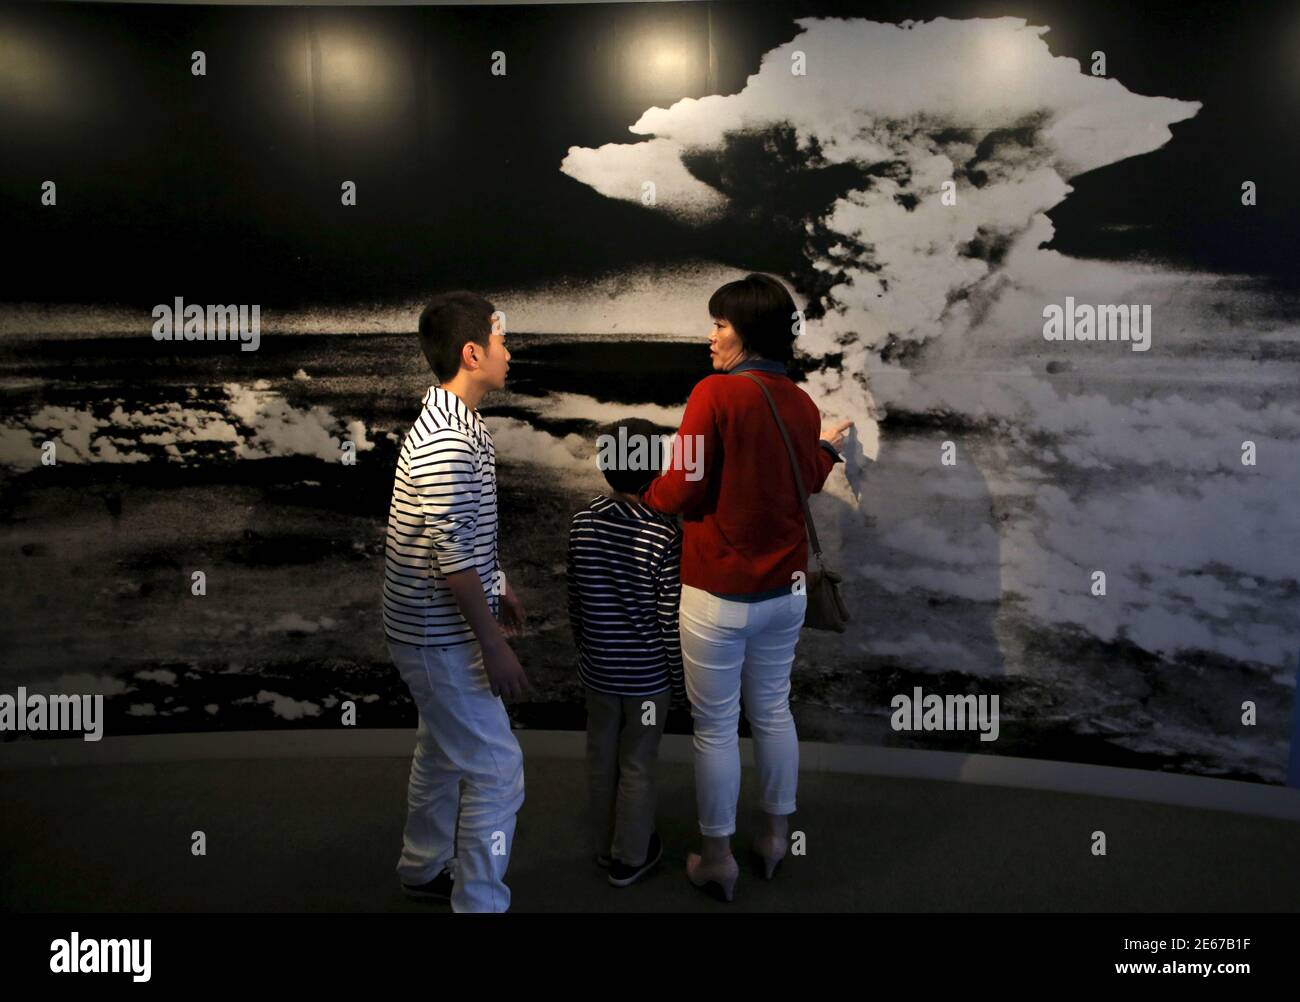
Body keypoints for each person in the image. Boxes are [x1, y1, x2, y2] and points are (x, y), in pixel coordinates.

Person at [639, 273, 852, 902]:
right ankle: (776, 839)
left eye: (720, 325)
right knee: (774, 712)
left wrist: (649, 491)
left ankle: (717, 858)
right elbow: (807, 478)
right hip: (785, 593)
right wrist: (829, 451)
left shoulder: (715, 394)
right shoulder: (799, 401)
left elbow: (684, 488)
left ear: (747, 331)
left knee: (715, 728)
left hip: (717, 593)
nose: (710, 337)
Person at [382, 291, 530, 913]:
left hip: (426, 630)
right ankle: (478, 904)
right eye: (501, 340)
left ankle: (420, 868)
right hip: (436, 637)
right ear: (472, 353)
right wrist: (493, 646)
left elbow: (460, 535)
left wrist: (501, 585)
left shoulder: (453, 423)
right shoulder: (448, 438)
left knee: (441, 752)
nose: (509, 350)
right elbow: (452, 563)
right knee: (498, 769)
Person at [567, 417, 685, 888]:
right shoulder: (664, 535)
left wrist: (587, 652)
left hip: (598, 673)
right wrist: (678, 682)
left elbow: (575, 601)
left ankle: (603, 846)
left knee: (600, 756)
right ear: (655, 469)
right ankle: (630, 856)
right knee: (637, 762)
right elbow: (668, 619)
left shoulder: (581, 523)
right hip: (648, 683)